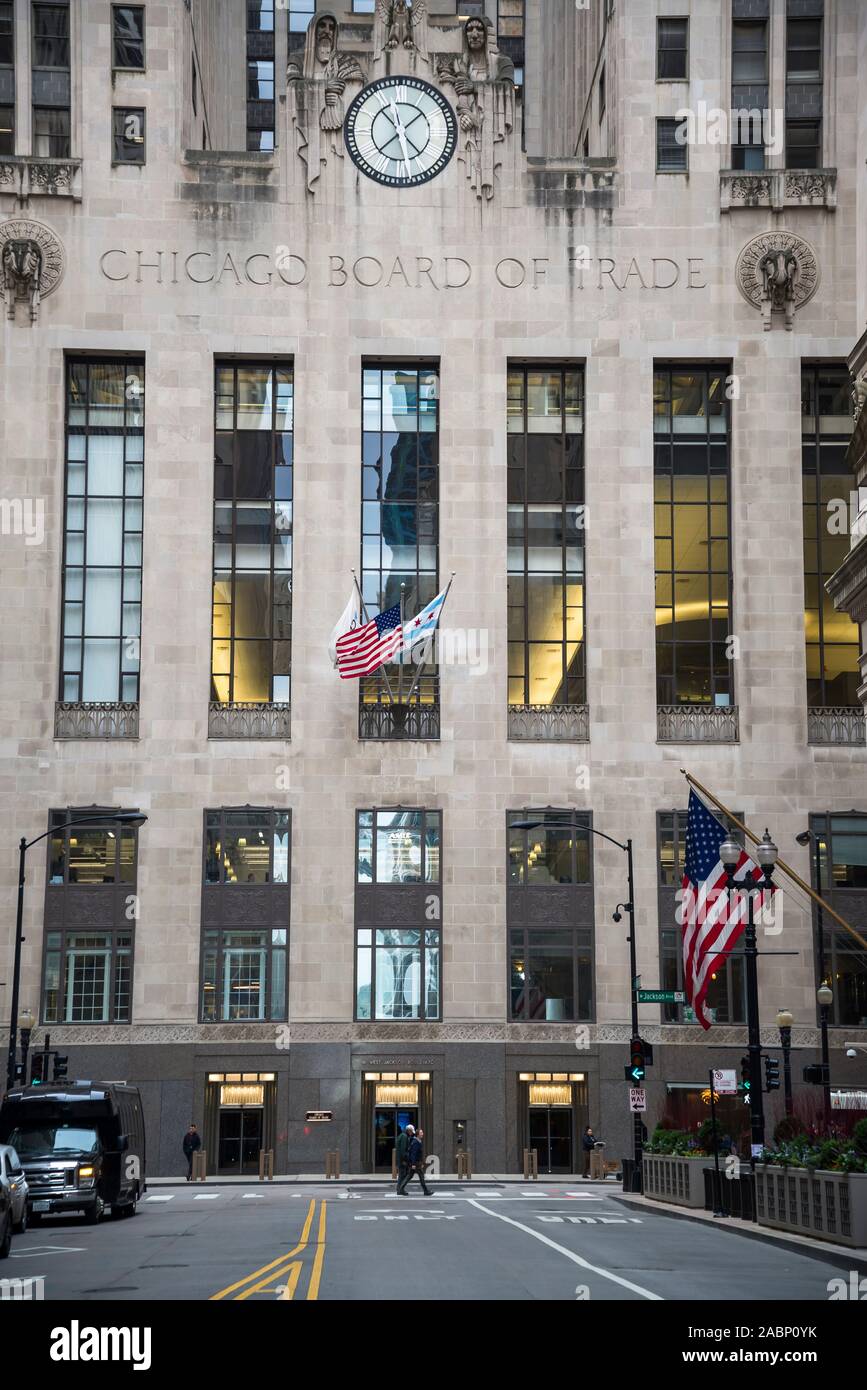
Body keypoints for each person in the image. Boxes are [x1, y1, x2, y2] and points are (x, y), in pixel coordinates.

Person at [398, 1126, 432, 1196]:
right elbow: (413, 1154)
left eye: (422, 1132)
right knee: (421, 1176)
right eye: (421, 1132)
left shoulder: (417, 1141)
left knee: (409, 1176)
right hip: (416, 1163)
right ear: (417, 1134)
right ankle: (426, 1191)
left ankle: (401, 1188)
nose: (422, 1134)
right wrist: (413, 1164)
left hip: (416, 1163)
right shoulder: (416, 1142)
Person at [395, 1122, 414, 1192]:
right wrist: (405, 1160)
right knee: (402, 1175)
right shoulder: (404, 1136)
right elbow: (403, 1150)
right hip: (402, 1160)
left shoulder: (402, 1135)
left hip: (400, 1159)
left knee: (402, 1175)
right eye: (412, 1132)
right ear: (409, 1131)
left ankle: (399, 1189)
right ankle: (400, 1189)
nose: (412, 1134)